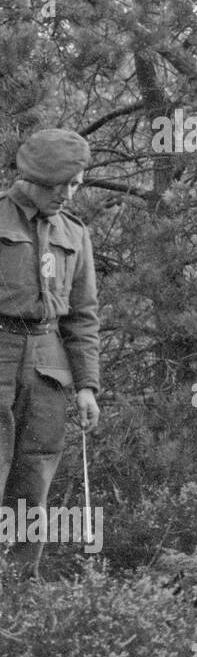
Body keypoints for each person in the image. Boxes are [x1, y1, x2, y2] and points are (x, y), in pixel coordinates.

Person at [0, 128, 101, 579]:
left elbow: (82, 317)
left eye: (75, 184)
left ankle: (18, 593)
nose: (67, 194)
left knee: (32, 484)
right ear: (32, 177)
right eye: (59, 183)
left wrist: (87, 387)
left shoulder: (74, 234)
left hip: (48, 366)